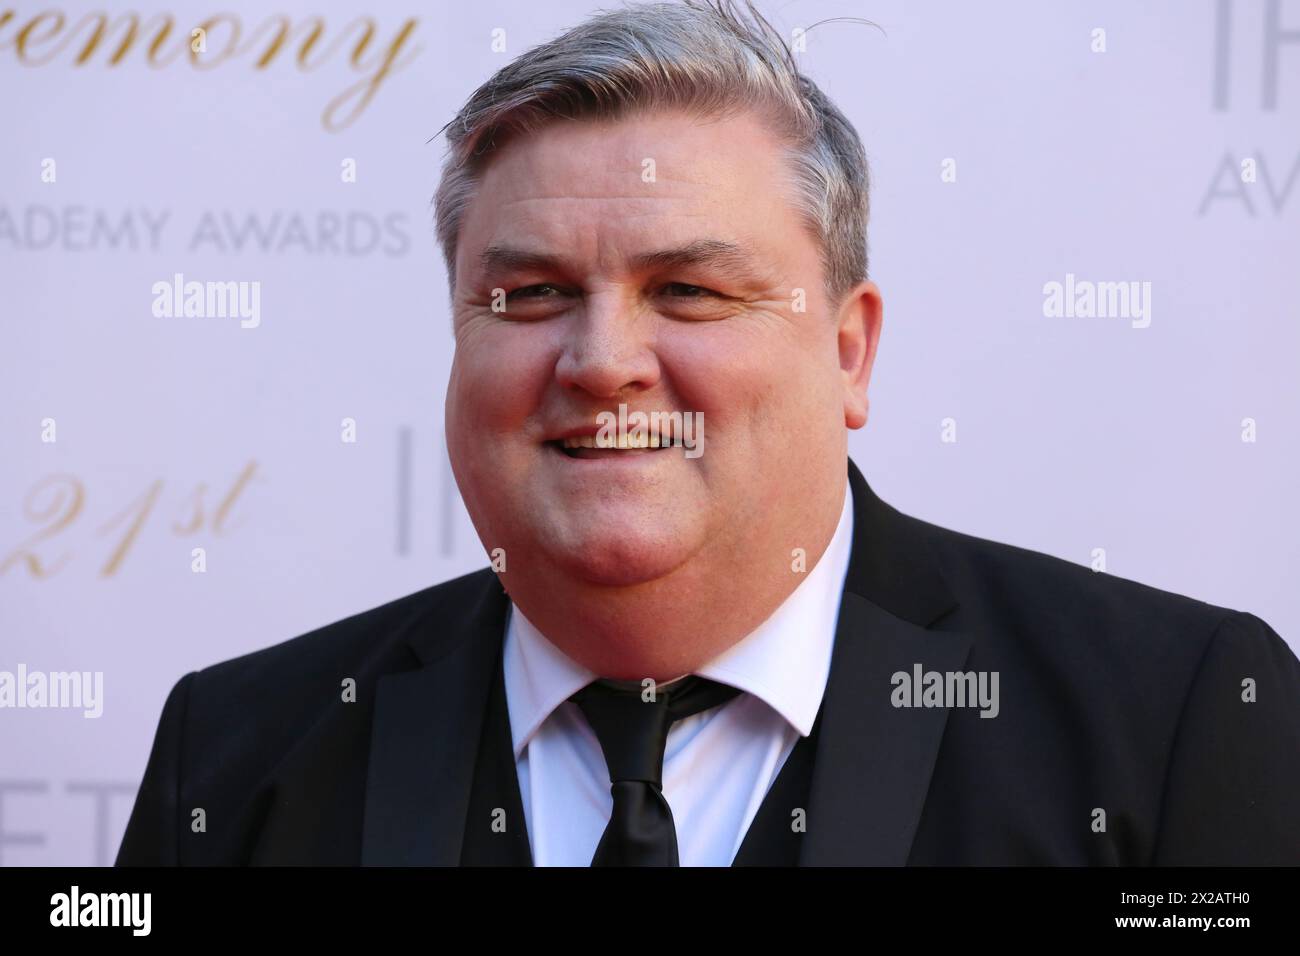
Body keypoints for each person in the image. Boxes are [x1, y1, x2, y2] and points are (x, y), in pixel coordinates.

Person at [117, 0, 1300, 867]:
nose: (601, 360)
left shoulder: (1172, 725)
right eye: (529, 296)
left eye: (687, 290)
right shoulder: (233, 758)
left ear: (848, 350)